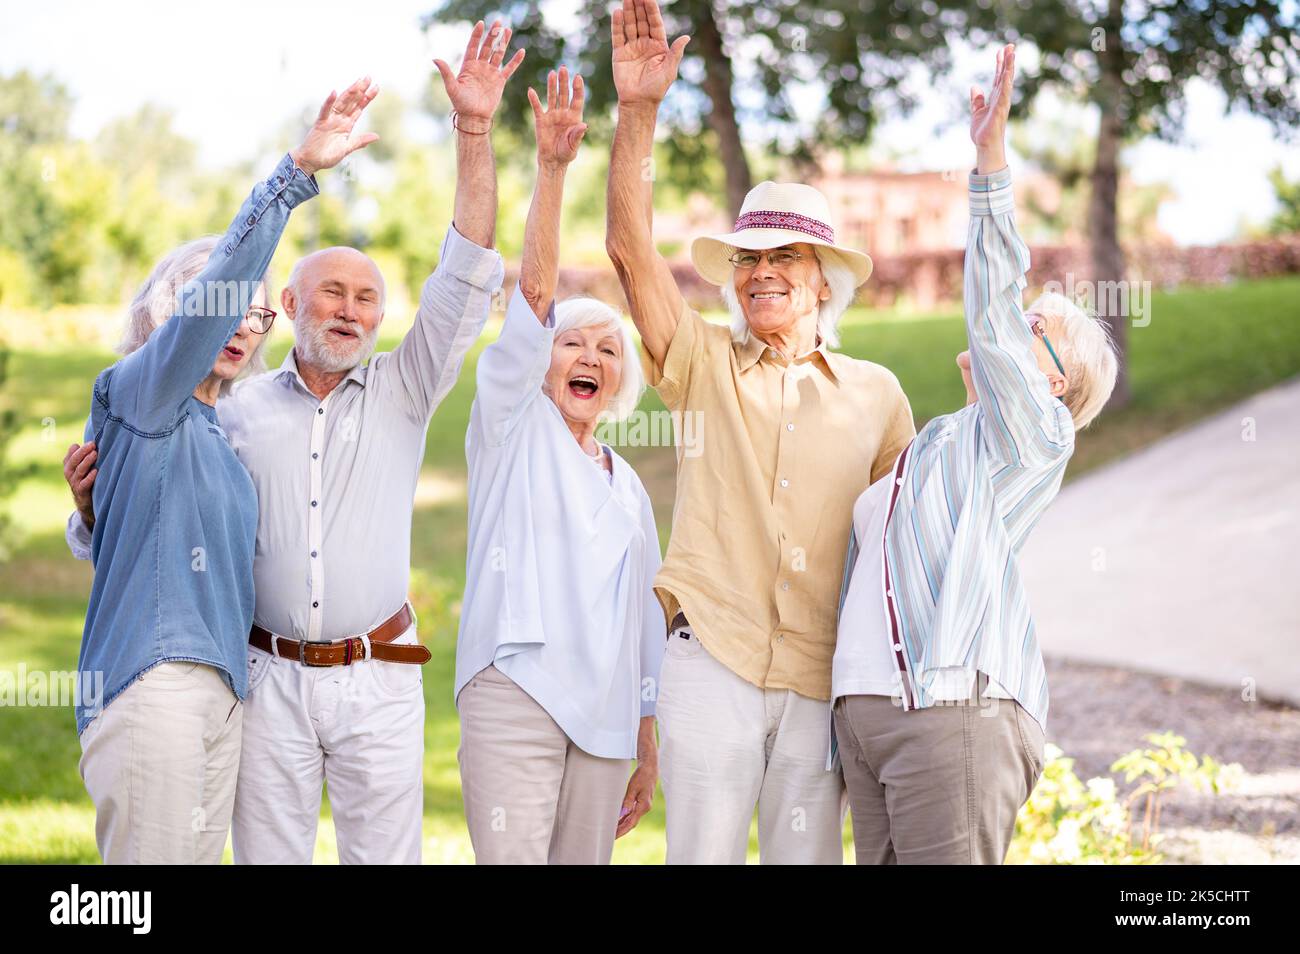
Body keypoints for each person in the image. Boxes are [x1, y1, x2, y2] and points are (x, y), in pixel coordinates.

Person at [64, 20, 522, 865]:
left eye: (367, 298)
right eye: (329, 293)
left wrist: (473, 132)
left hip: (375, 674)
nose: (350, 309)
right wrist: (96, 510)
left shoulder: (403, 389)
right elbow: (155, 520)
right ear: (291, 307)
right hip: (261, 679)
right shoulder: (219, 412)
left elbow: (464, 270)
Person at [603, 0, 915, 864]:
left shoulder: (878, 395)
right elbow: (630, 252)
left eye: (785, 259)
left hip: (823, 676)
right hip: (713, 660)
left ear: (823, 286)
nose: (762, 273)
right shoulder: (701, 362)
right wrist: (638, 115)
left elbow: (902, 545)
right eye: (749, 259)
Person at [66, 77, 374, 864]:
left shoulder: (213, 426)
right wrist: (293, 177)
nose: (242, 322)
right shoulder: (141, 385)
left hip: (223, 695)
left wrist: (95, 513)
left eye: (258, 312)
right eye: (223, 303)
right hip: (153, 686)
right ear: (172, 310)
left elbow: (145, 547)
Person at [830, 44, 1120, 864]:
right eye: (1025, 320)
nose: (1012, 330)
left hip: (952, 715)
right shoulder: (944, 441)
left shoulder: (1035, 435)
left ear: (1056, 388)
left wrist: (988, 166)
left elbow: (990, 313)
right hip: (871, 720)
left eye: (1037, 333)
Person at [455, 66, 664, 865]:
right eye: (572, 342)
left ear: (618, 382)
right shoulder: (512, 425)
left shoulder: (628, 486)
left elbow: (647, 624)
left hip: (608, 720)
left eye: (608, 349)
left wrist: (647, 742)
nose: (589, 356)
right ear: (540, 362)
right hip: (515, 691)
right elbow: (535, 293)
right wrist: (552, 171)